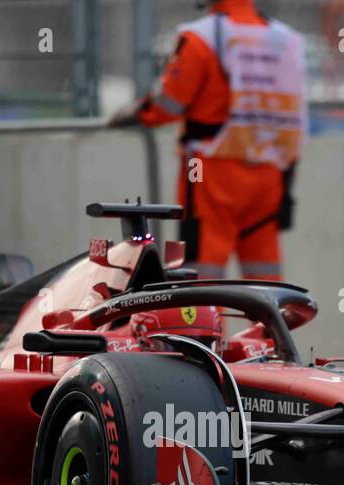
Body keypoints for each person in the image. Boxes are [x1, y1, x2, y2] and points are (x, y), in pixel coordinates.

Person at [108, 0, 306, 281]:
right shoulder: (285, 40)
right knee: (265, 275)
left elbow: (170, 104)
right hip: (270, 175)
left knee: (200, 271)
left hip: (209, 173)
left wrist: (138, 112)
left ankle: (200, 326)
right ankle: (271, 325)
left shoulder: (200, 38)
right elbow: (296, 115)